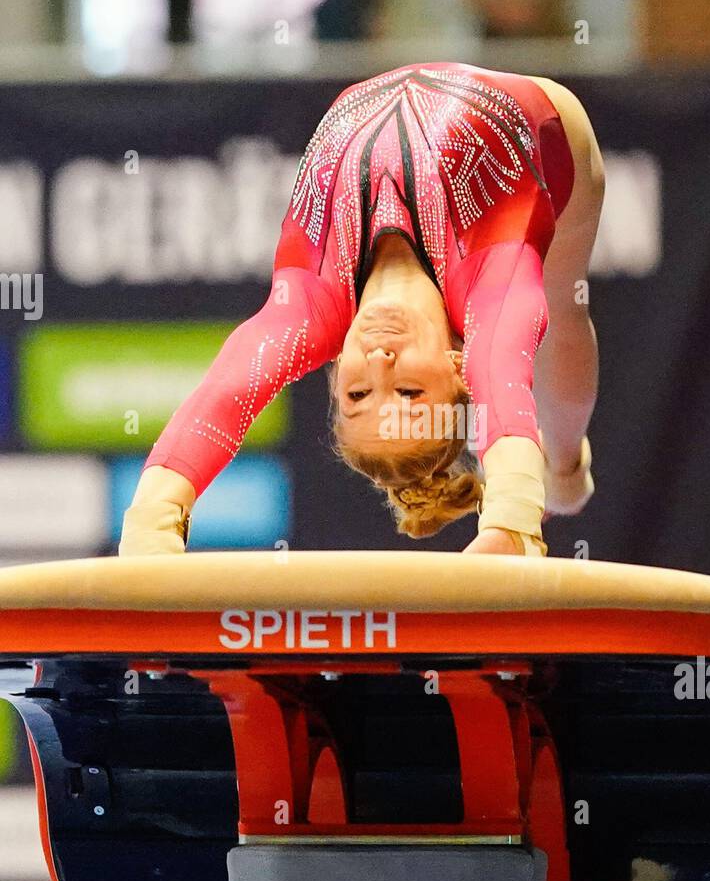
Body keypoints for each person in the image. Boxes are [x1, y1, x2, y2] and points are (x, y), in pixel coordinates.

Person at [119, 63, 603, 557]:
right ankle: (564, 471)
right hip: (555, 140)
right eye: (409, 391)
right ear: (460, 370)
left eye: (358, 393)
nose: (379, 362)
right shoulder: (489, 282)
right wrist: (513, 520)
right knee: (559, 311)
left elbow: (226, 393)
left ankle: (559, 479)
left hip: (404, 86)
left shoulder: (308, 308)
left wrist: (152, 520)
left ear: (335, 375)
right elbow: (500, 372)